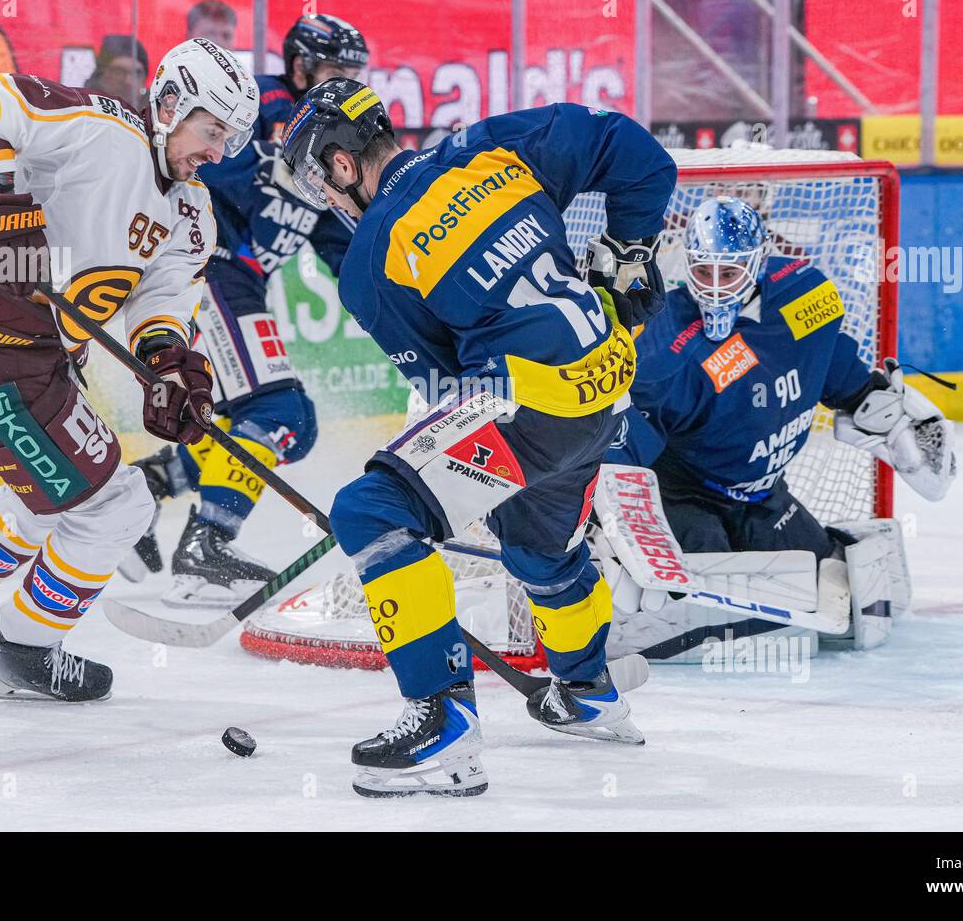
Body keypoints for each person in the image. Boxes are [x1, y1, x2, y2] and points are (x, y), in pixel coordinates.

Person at [281, 79, 674, 797]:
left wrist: (423, 498)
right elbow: (638, 153)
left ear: (341, 164)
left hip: (529, 401)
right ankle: (588, 691)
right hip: (611, 382)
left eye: (322, 179)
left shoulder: (372, 257)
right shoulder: (489, 148)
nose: (330, 199)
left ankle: (442, 721)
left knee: (372, 512)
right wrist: (631, 250)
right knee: (539, 548)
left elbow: (445, 387)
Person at [0, 38, 258, 701]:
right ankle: (28, 650)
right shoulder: (99, 128)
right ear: (170, 103)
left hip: (31, 359)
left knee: (54, 493)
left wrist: (170, 367)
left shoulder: (193, 213)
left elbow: (160, 303)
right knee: (118, 507)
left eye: (229, 140)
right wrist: (6, 211)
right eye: (211, 132)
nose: (217, 153)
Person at [604, 196, 957, 660]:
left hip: (764, 494)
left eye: (727, 273)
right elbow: (618, 452)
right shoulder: (664, 349)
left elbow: (832, 367)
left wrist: (876, 406)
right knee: (690, 608)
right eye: (702, 272)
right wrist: (614, 528)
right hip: (685, 496)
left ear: (757, 262)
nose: (713, 288)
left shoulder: (805, 295)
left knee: (841, 598)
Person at [120, 15, 369, 608]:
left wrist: (385, 294)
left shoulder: (328, 141)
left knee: (258, 424)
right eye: (336, 72)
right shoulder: (265, 106)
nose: (347, 84)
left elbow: (338, 239)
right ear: (302, 66)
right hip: (205, 270)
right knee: (283, 411)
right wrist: (282, 158)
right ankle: (208, 542)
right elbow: (203, 171)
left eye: (355, 75)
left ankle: (148, 489)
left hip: (235, 282)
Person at [84, 34, 150, 109]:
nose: (128, 81)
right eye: (118, 72)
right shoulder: (82, 108)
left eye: (137, 74)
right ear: (102, 74)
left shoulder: (155, 114)